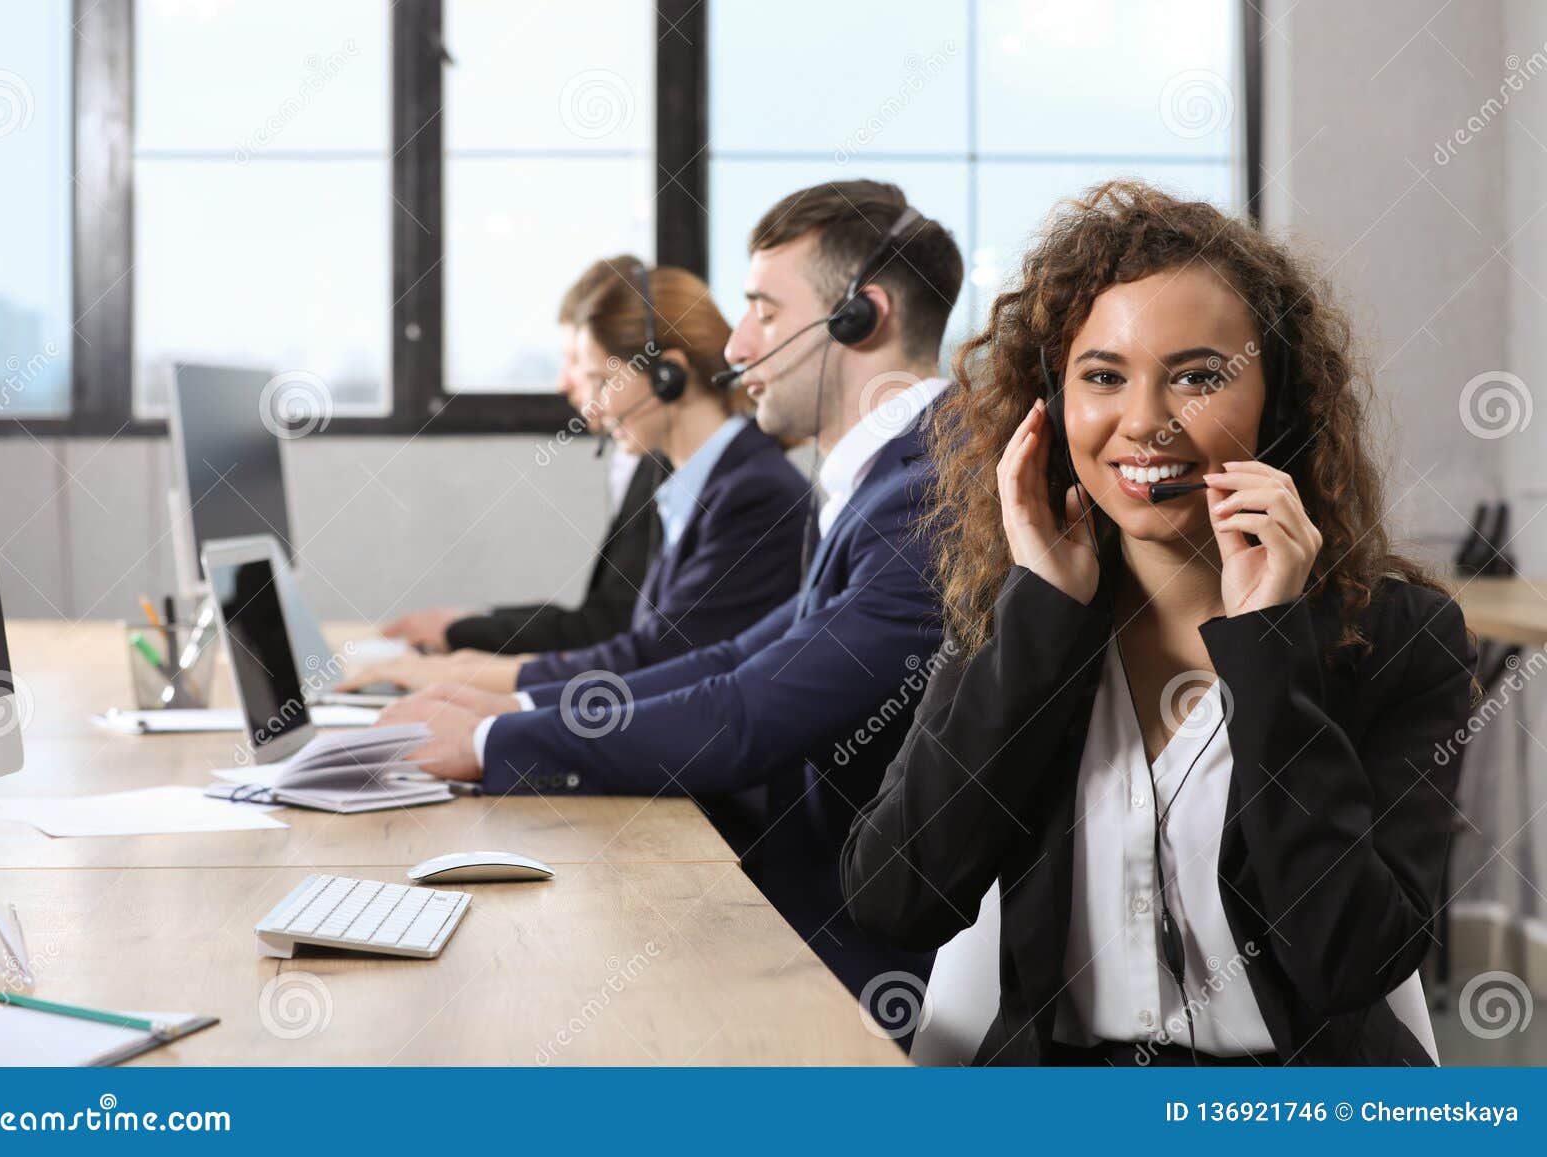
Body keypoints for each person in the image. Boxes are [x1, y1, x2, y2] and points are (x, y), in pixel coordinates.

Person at [840, 180, 1479, 1066]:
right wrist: (1041, 624)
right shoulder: (1016, 617)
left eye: (1198, 376)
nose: (1145, 422)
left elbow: (1350, 962)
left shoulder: (1402, 637)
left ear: (1277, 402)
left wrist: (1268, 648)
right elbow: (895, 899)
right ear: (1051, 408)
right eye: (1103, 376)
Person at [371, 180, 965, 1011]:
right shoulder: (885, 481)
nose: (739, 341)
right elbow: (736, 658)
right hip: (796, 899)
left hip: (845, 948)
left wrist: (493, 738)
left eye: (762, 307)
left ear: (859, 317)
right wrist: (508, 719)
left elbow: (747, 711)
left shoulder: (926, 494)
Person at [350, 265, 809, 693]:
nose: (595, 406)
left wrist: (468, 675)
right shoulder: (697, 483)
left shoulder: (754, 494)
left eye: (601, 381)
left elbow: (657, 660)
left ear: (668, 374)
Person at [381, 255, 668, 655]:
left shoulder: (667, 468)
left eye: (580, 364)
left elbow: (606, 628)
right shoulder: (636, 460)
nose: (564, 382)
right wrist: (471, 624)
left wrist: (465, 639)